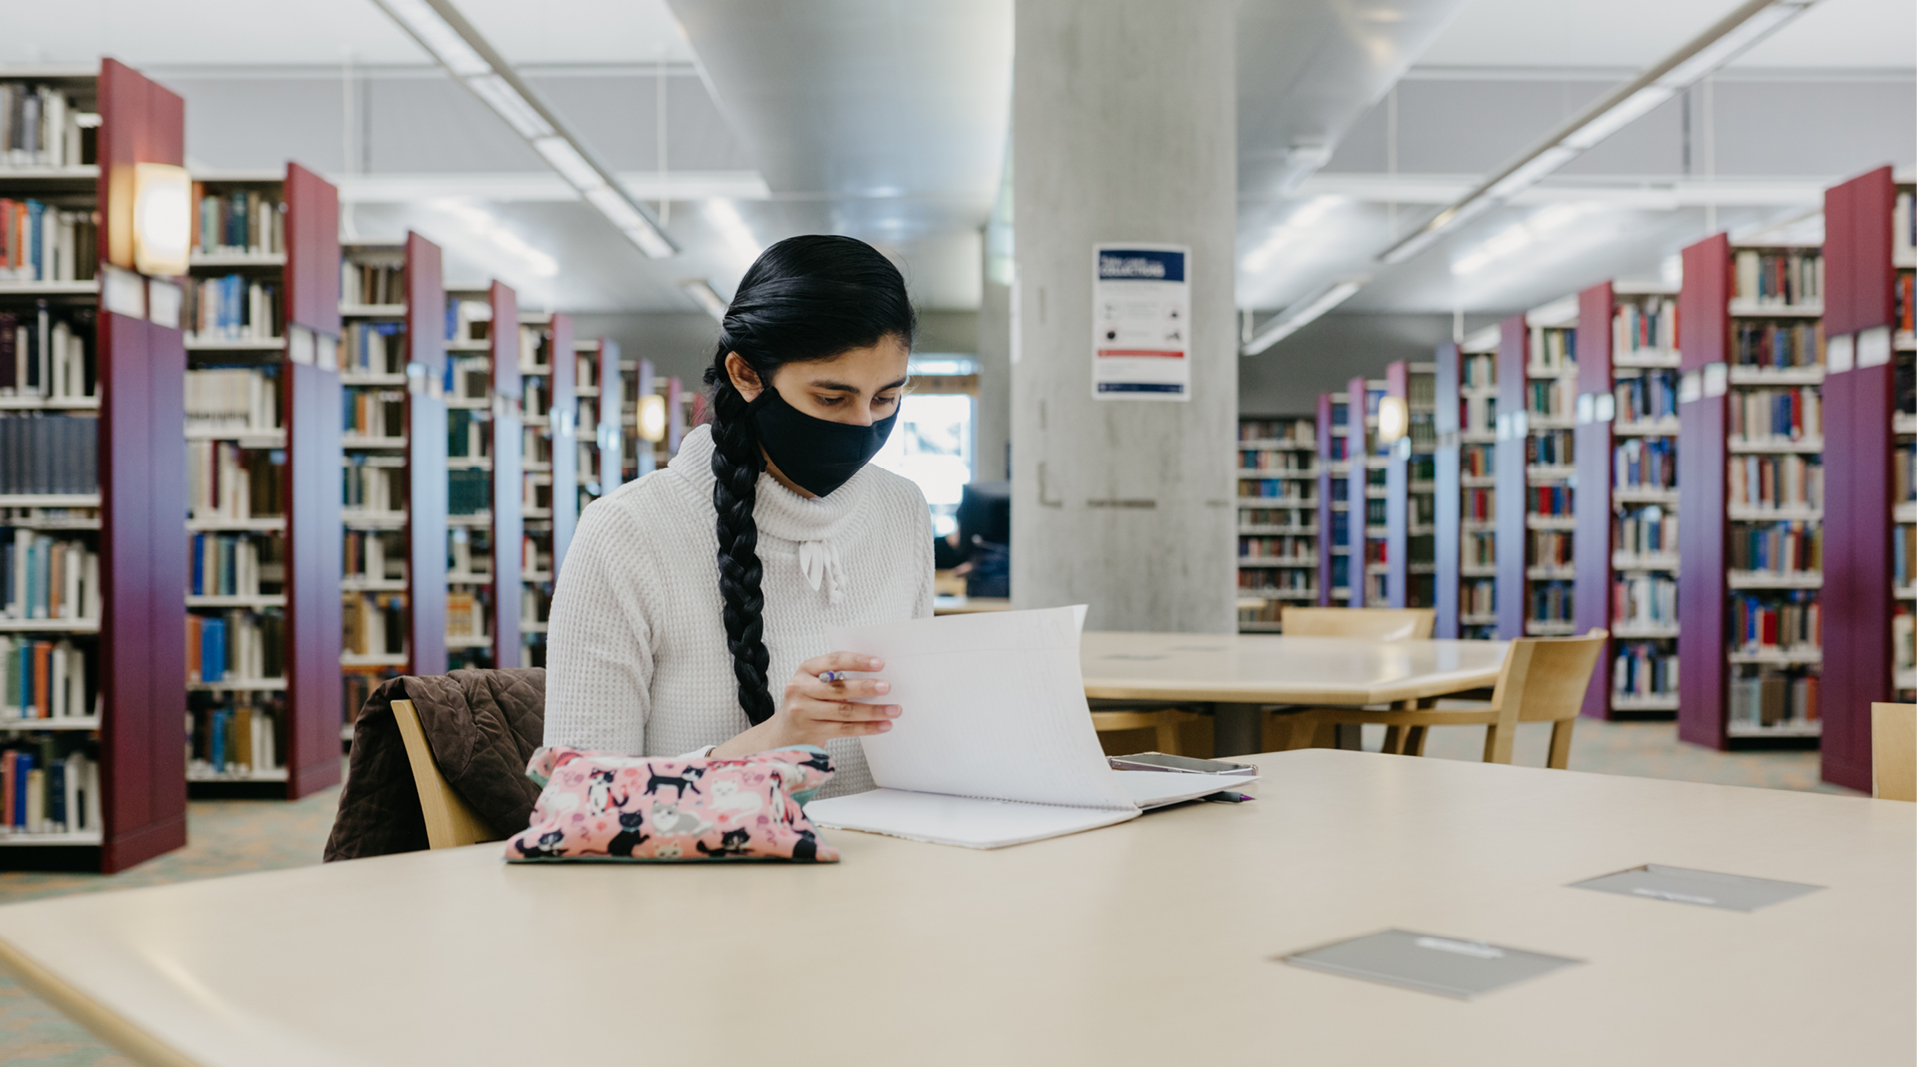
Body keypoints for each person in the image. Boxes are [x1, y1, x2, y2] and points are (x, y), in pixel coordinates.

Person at [544, 235, 931, 797]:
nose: (861, 425)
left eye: (886, 398)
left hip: (886, 868)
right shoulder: (627, 531)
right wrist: (777, 739)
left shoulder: (902, 510)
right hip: (704, 882)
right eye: (830, 398)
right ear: (747, 375)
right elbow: (579, 797)